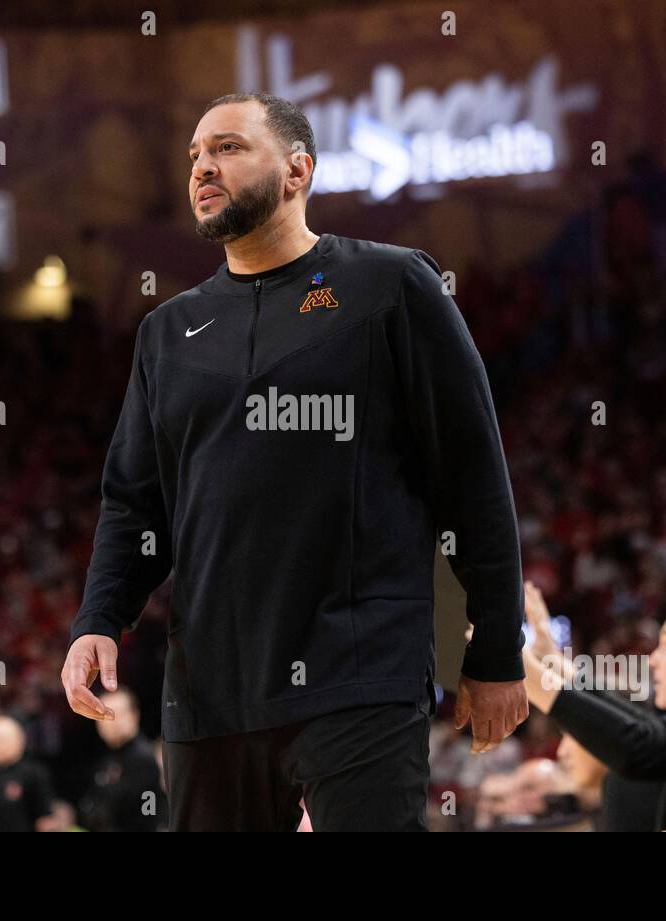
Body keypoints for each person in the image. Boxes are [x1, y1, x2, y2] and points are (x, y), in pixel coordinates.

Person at [61, 92, 529, 831]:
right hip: (210, 690)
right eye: (193, 156)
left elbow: (472, 476)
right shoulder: (167, 331)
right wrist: (99, 616)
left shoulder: (392, 285)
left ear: (297, 170)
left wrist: (498, 649)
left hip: (360, 672)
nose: (203, 167)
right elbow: (133, 503)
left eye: (227, 147)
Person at [522, 587, 666, 831]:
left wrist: (524, 672)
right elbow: (634, 719)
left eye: (665, 644)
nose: (652, 659)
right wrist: (555, 666)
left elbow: (640, 745)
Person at [77, 687, 164, 832]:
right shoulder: (107, 761)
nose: (110, 721)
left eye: (116, 713)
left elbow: (147, 816)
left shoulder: (143, 760)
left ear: (134, 715)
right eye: (102, 714)